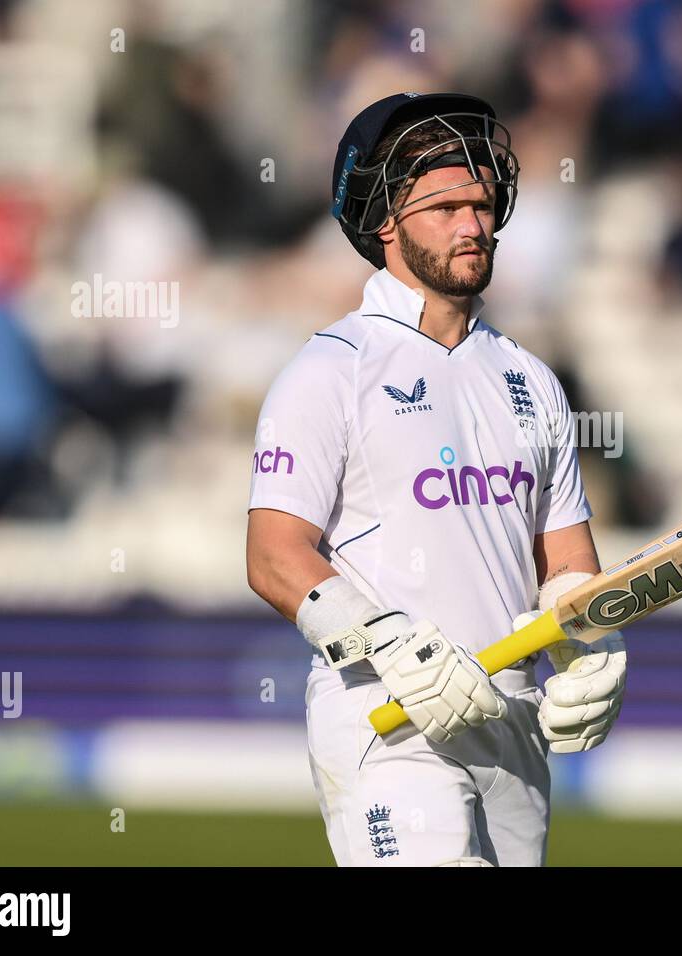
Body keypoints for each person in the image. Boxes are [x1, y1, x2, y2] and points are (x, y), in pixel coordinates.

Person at [245, 92, 626, 866]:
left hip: (509, 721)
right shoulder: (330, 371)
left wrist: (591, 648)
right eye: (446, 205)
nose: (473, 224)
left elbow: (567, 568)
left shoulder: (530, 379)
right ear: (385, 221)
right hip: (386, 715)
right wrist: (389, 645)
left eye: (481, 204)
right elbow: (273, 556)